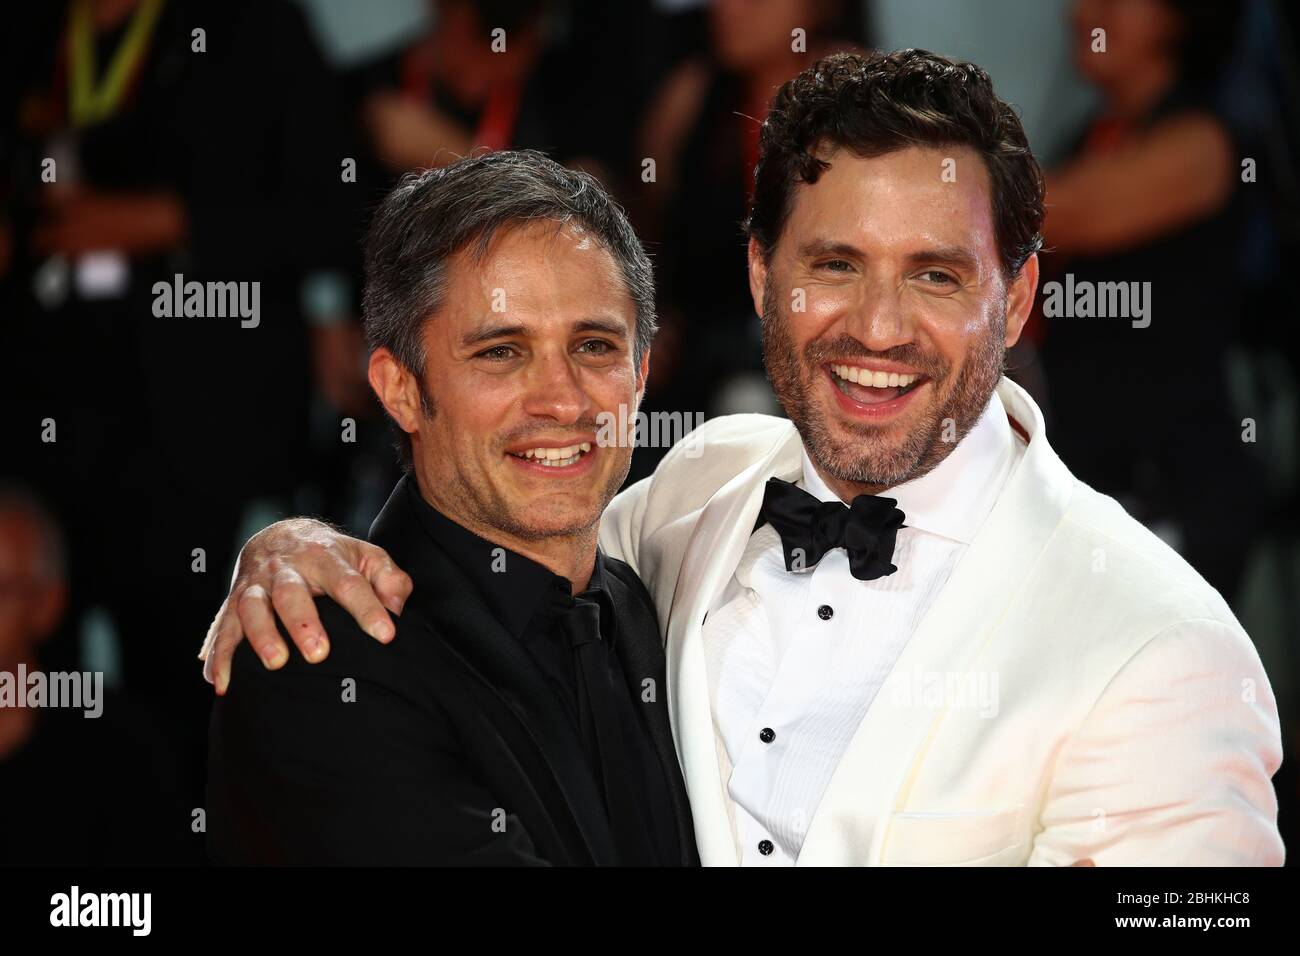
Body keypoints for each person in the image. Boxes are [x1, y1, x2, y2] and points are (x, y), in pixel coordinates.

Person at [202, 51, 1284, 866]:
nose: (877, 326)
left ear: (1021, 296)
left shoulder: (1164, 648)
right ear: (762, 277)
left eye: (937, 276)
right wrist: (297, 549)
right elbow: (486, 529)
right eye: (834, 263)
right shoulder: (695, 492)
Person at [205, 151, 697, 866]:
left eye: (594, 346)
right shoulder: (313, 658)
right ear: (400, 389)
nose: (562, 400)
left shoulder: (672, 606)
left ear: (642, 373)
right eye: (501, 352)